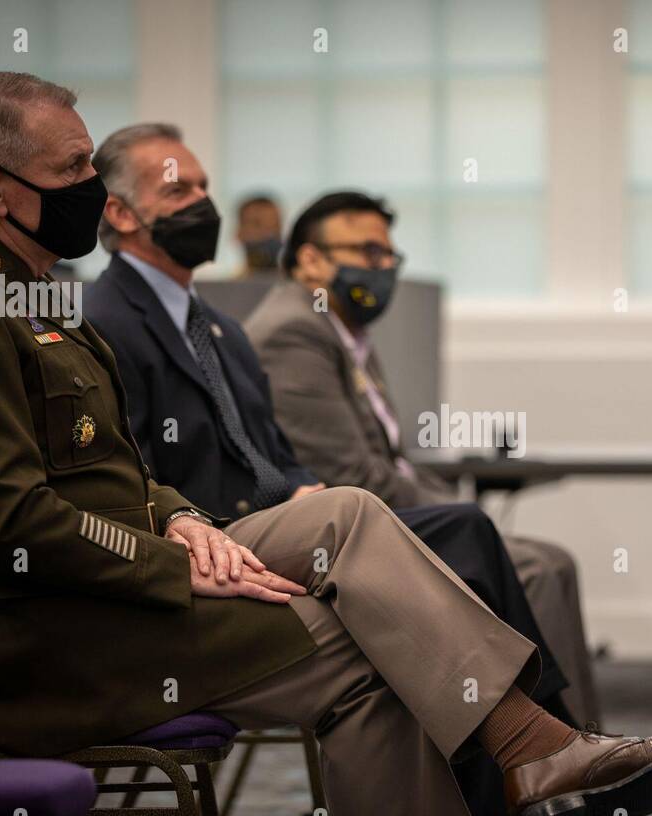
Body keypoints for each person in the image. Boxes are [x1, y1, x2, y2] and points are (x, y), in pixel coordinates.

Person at [0, 71, 652, 816]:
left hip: (109, 595)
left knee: (342, 512)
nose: (92, 191)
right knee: (369, 655)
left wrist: (182, 518)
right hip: (41, 647)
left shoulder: (28, 295)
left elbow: (112, 471)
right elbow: (15, 529)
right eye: (73, 172)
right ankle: (534, 753)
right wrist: (177, 557)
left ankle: (536, 746)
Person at [84, 122, 619, 816]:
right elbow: (128, 475)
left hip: (289, 527)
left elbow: (273, 454)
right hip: (216, 547)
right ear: (119, 213)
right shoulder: (101, 321)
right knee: (460, 535)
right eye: (179, 190)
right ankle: (543, 767)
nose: (203, 203)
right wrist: (261, 513)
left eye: (206, 186)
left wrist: (303, 490)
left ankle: (534, 781)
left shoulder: (221, 330)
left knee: (456, 538)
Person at [244, 192, 602, 727]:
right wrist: (461, 517)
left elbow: (395, 461)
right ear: (310, 258)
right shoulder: (294, 332)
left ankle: (580, 752)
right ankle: (563, 759)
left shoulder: (342, 331)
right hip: (347, 539)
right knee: (537, 569)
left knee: (551, 561)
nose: (383, 267)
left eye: (389, 256)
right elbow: (355, 478)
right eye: (368, 252)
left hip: (385, 517)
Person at [235, 194, 282, 275]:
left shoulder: (298, 285)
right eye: (257, 224)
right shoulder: (226, 286)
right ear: (239, 233)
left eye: (275, 226)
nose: (269, 234)